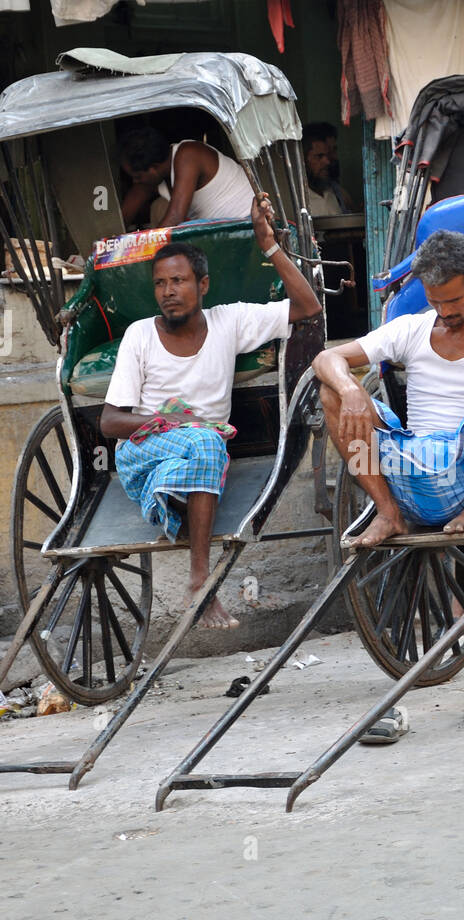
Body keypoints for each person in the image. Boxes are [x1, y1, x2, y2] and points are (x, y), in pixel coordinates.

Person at [101, 193, 322, 629]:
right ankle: (201, 580)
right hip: (144, 450)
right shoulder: (139, 335)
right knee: (207, 441)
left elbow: (308, 308)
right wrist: (167, 422)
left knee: (208, 444)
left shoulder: (229, 321)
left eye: (179, 281)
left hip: (200, 452)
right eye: (161, 283)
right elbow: (110, 422)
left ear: (202, 285)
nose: (169, 292)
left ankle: (182, 523)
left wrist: (270, 247)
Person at [313, 229, 464, 555]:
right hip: (408, 470)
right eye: (435, 301)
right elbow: (326, 358)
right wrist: (350, 390)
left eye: (454, 300)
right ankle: (387, 513)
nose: (445, 311)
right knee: (332, 391)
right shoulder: (411, 328)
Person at [117, 126, 254, 229]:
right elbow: (122, 218)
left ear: (153, 168)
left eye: (138, 177)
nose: (135, 182)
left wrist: (145, 251)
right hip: (226, 229)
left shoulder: (188, 155)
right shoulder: (154, 175)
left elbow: (175, 218)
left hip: (250, 222)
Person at [303, 122, 353, 215]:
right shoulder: (299, 199)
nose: (327, 162)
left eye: (327, 155)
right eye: (319, 156)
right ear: (303, 160)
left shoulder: (337, 194)